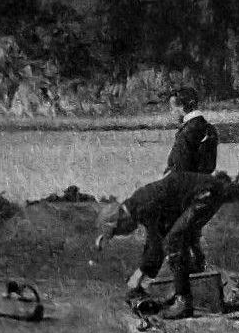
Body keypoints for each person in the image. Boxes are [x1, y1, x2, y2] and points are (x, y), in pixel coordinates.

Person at [94, 172, 224, 320]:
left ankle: (183, 302)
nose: (122, 234)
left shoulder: (143, 206)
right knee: (179, 236)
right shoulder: (137, 205)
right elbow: (156, 240)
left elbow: (156, 245)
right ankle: (189, 286)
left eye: (118, 231)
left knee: (174, 240)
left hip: (206, 192)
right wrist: (143, 278)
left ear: (122, 217)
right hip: (205, 191)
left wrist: (139, 275)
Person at [161, 86, 219, 272]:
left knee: (175, 238)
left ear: (182, 107)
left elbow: (181, 168)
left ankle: (184, 291)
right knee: (189, 235)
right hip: (202, 189)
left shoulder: (189, 132)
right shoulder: (206, 128)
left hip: (189, 193)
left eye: (172, 108)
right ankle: (194, 278)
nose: (171, 113)